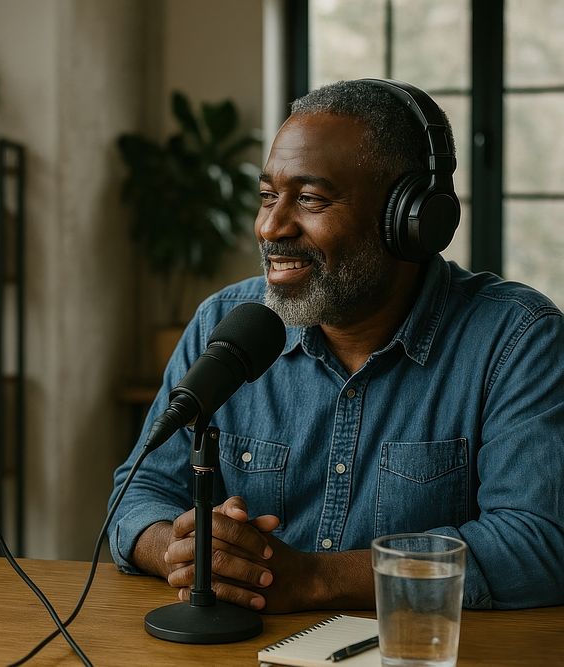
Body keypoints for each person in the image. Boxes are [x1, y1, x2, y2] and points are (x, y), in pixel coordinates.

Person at [108, 79, 564, 611]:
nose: (270, 226)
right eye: (267, 196)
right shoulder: (223, 322)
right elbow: (136, 497)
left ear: (409, 220)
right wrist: (189, 551)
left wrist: (315, 579)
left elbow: (540, 544)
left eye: (310, 199)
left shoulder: (517, 339)